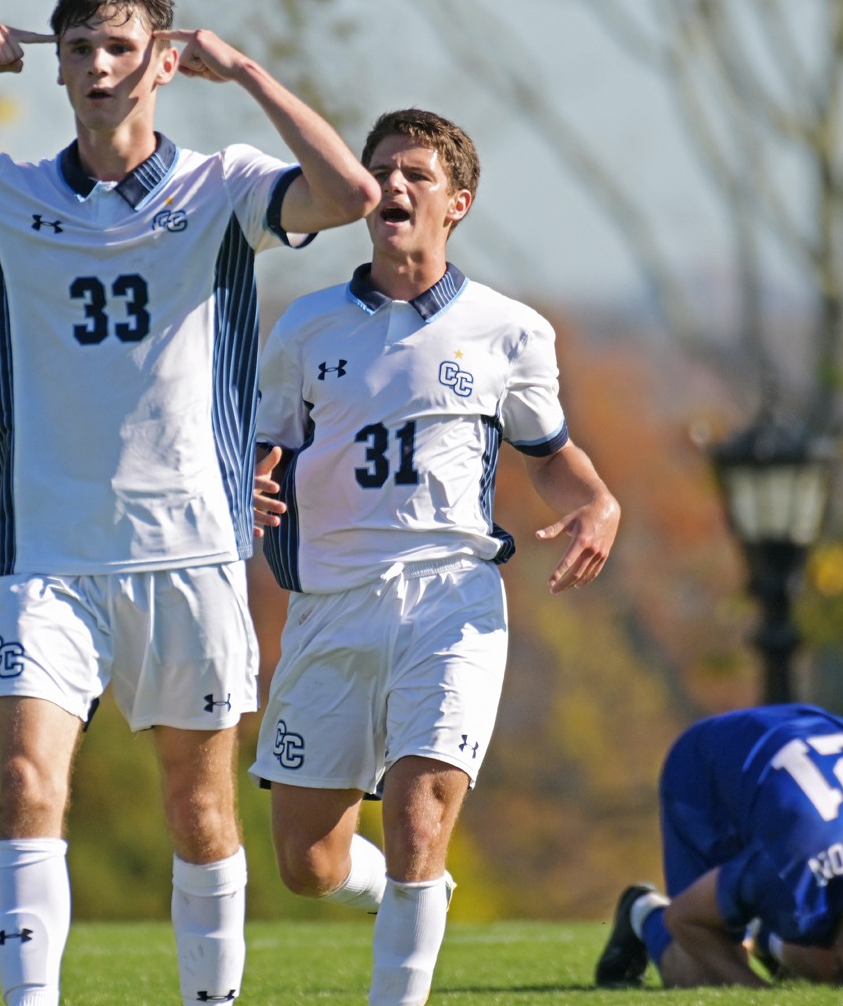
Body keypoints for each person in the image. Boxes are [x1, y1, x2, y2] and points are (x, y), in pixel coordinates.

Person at [0, 0, 379, 1006]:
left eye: (121, 47)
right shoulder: (3, 194)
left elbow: (350, 194)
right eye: (80, 48)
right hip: (50, 562)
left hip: (192, 553)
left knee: (198, 812)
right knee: (26, 785)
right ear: (57, 66)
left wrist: (246, 70)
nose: (100, 66)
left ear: (161, 60)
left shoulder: (223, 187)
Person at [248, 108, 622, 1006]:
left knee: (421, 816)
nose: (395, 186)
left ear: (458, 202)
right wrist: (247, 487)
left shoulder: (511, 331)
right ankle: (411, 899)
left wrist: (597, 504)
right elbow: (260, 453)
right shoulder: (305, 327)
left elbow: (550, 458)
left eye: (416, 173)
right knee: (307, 863)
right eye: (382, 171)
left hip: (450, 603)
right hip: (331, 606)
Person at [595, 704, 843, 989]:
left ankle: (768, 937)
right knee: (700, 969)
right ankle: (642, 913)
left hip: (808, 726)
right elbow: (686, 919)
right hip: (708, 764)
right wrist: (753, 990)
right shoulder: (793, 873)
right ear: (839, 950)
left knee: (802, 928)